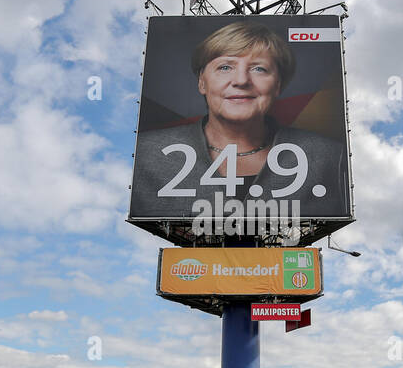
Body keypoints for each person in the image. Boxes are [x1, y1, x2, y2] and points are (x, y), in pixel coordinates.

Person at [129, 21, 347, 219]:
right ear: (202, 83)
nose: (241, 80)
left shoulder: (329, 157)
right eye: (225, 67)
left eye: (259, 69)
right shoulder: (146, 153)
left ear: (278, 85)